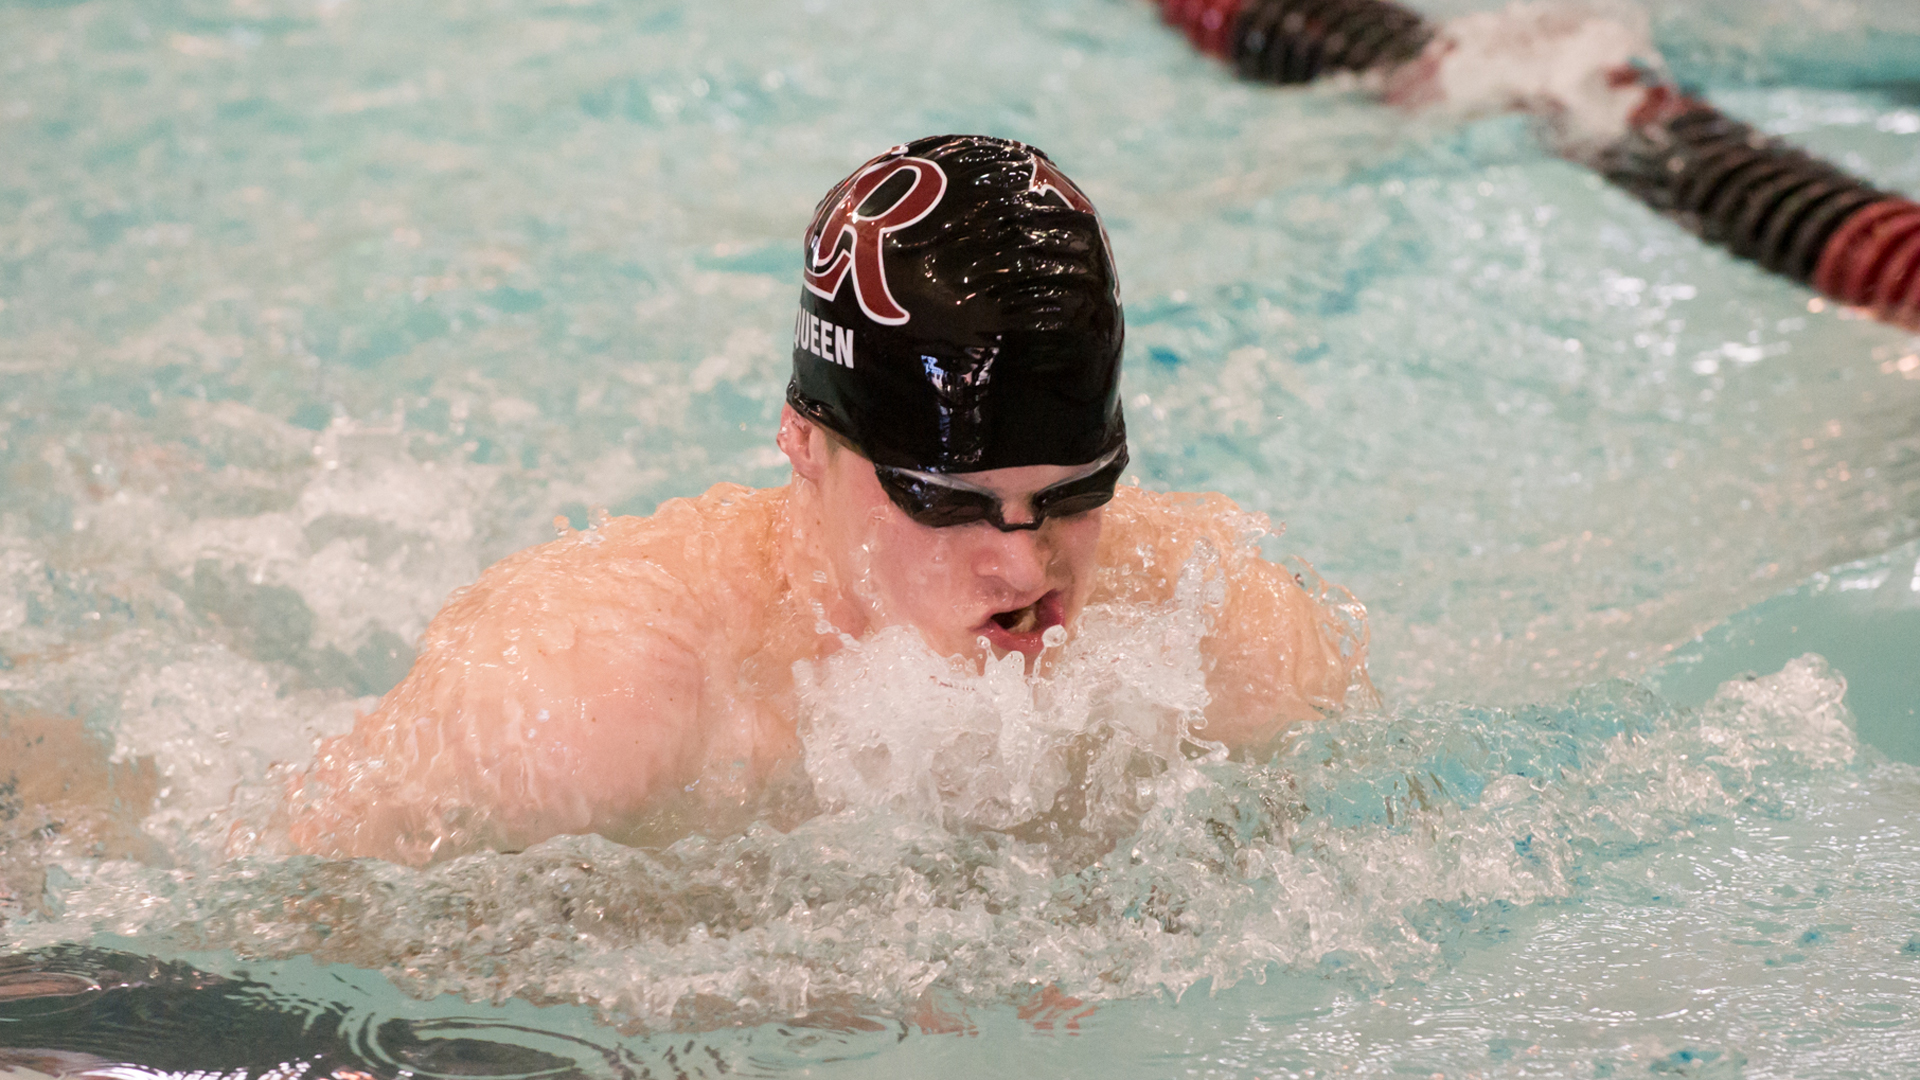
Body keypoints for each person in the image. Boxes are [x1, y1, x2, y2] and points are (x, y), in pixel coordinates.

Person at [284, 134, 1370, 865]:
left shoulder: (1222, 633)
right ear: (805, 445)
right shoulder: (593, 700)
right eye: (946, 503)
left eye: (1078, 493)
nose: (1028, 571)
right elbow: (288, 933)